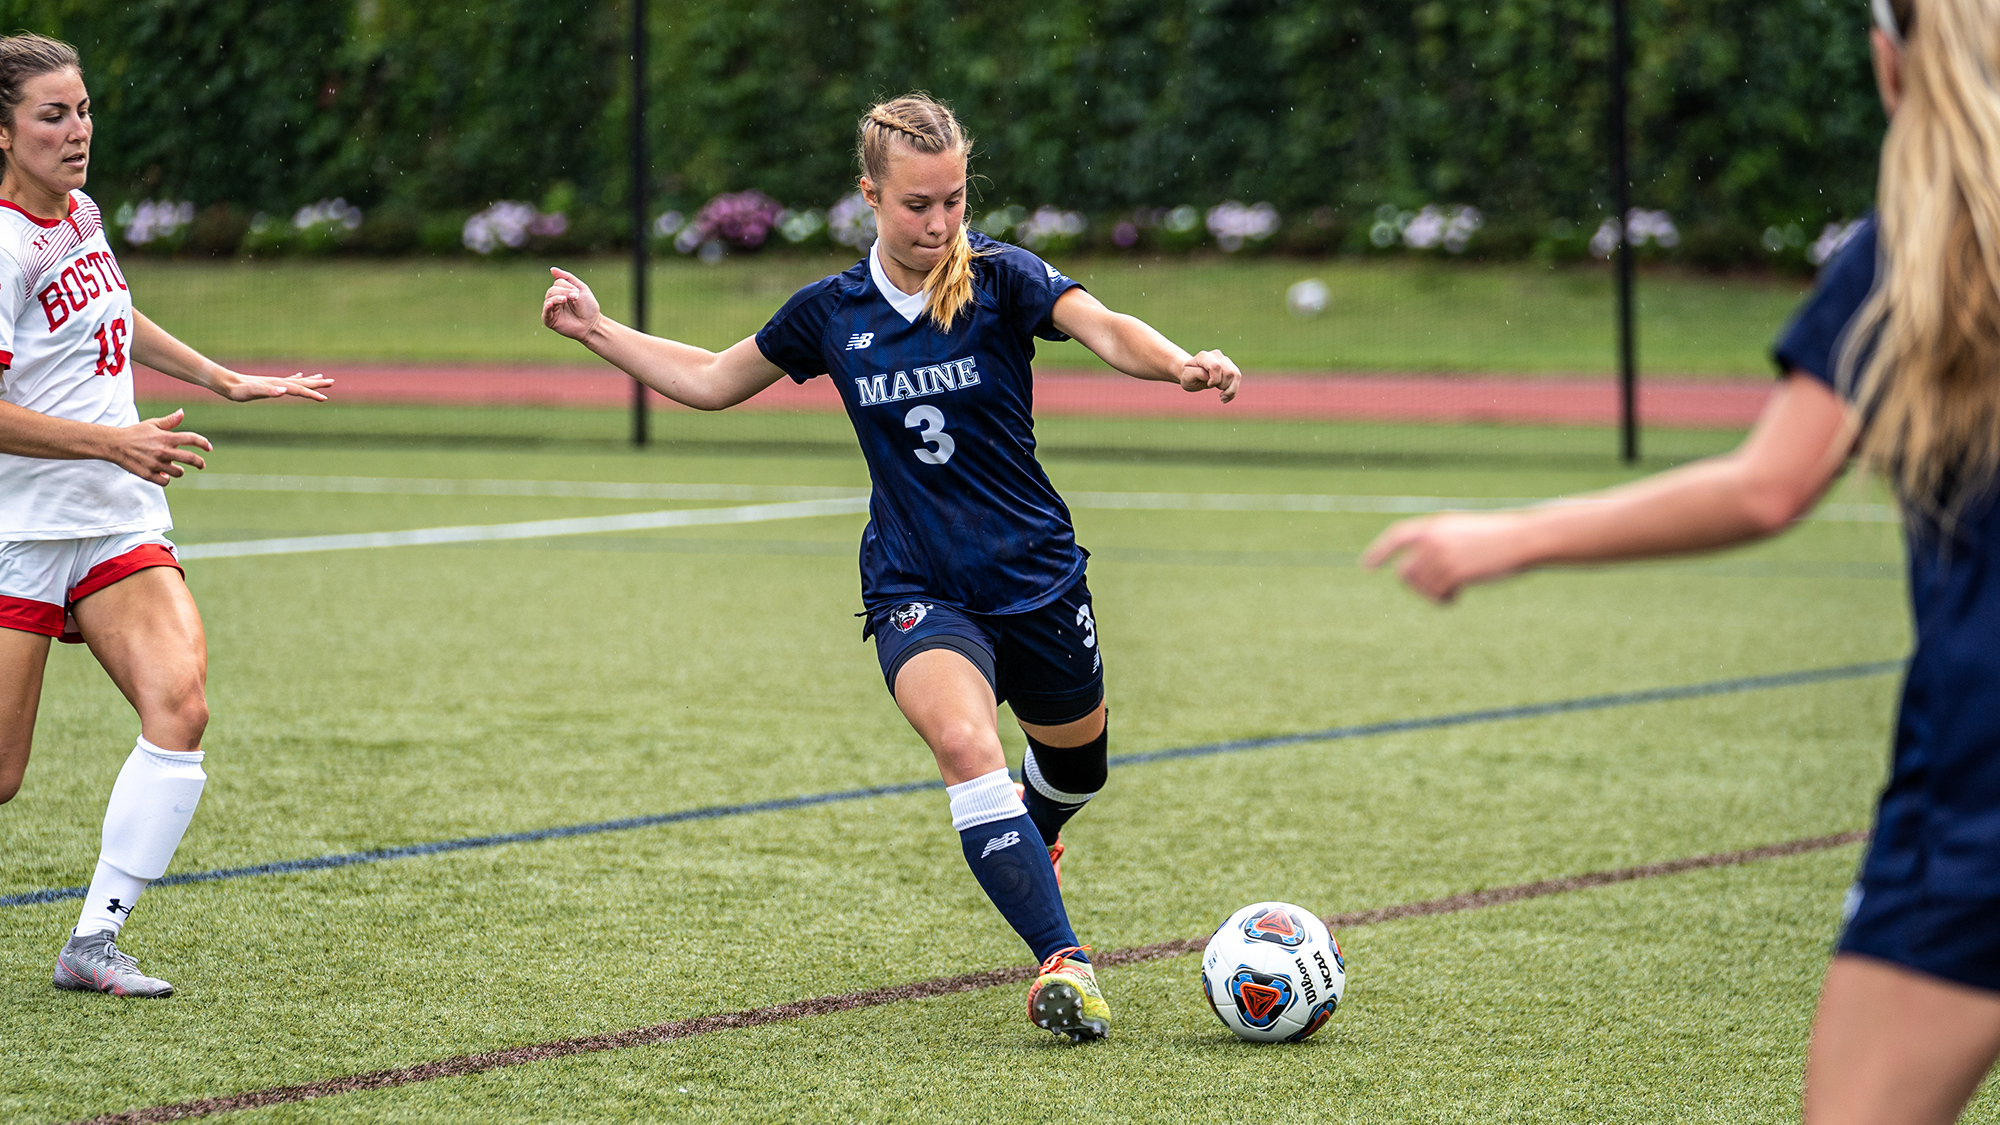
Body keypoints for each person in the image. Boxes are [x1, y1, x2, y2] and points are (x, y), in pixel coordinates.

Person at [1363, 1, 2000, 1120]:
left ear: (1888, 59)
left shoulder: (1920, 240)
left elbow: (1767, 485)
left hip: (1976, 786)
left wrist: (1510, 535)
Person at [544, 93, 1239, 1042]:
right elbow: (711, 379)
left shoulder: (1002, 277)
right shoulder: (832, 313)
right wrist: (596, 329)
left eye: (953, 199)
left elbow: (1106, 325)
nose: (940, 223)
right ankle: (1062, 961)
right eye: (918, 204)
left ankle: (1040, 830)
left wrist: (1180, 365)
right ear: (868, 195)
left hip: (1035, 573)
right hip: (918, 585)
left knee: (1078, 767)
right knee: (964, 747)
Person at [0, 34, 331, 998]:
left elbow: (118, 312)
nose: (78, 131)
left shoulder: (80, 215)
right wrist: (114, 439)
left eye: (85, 110)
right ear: (2, 132)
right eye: (53, 115)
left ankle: (93, 941)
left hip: (113, 516)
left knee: (180, 706)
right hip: (19, 532)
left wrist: (220, 377)